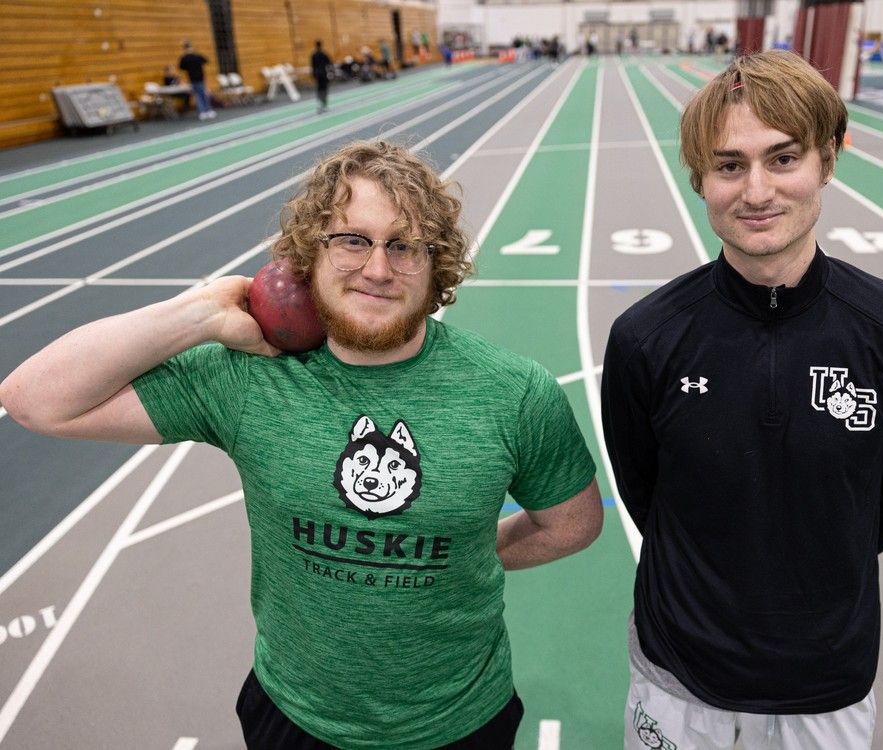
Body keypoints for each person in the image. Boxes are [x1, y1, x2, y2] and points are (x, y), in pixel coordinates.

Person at [0, 140, 602, 750]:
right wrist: (201, 314)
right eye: (351, 239)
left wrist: (465, 553)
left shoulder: (515, 393)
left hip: (460, 724)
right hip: (293, 720)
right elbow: (34, 399)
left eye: (405, 244)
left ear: (437, 264)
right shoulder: (246, 378)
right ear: (305, 257)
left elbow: (572, 524)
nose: (378, 268)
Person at [601, 50, 883, 750]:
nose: (756, 190)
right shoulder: (645, 339)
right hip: (678, 680)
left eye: (783, 158)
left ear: (826, 160)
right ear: (700, 179)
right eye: (730, 165)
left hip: (826, 689)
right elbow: (647, 496)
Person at [178, 40, 216, 120]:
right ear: (190, 47)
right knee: (202, 95)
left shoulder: (185, 58)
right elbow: (205, 60)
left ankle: (203, 112)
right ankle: (207, 110)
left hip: (193, 79)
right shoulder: (196, 56)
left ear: (185, 48)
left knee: (198, 95)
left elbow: (181, 67)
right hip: (199, 78)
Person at [310, 40, 332, 113]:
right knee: (324, 90)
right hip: (324, 74)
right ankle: (324, 105)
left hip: (318, 75)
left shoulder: (313, 55)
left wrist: (313, 75)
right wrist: (331, 73)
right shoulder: (324, 54)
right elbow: (330, 64)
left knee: (319, 90)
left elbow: (312, 66)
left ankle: (320, 106)